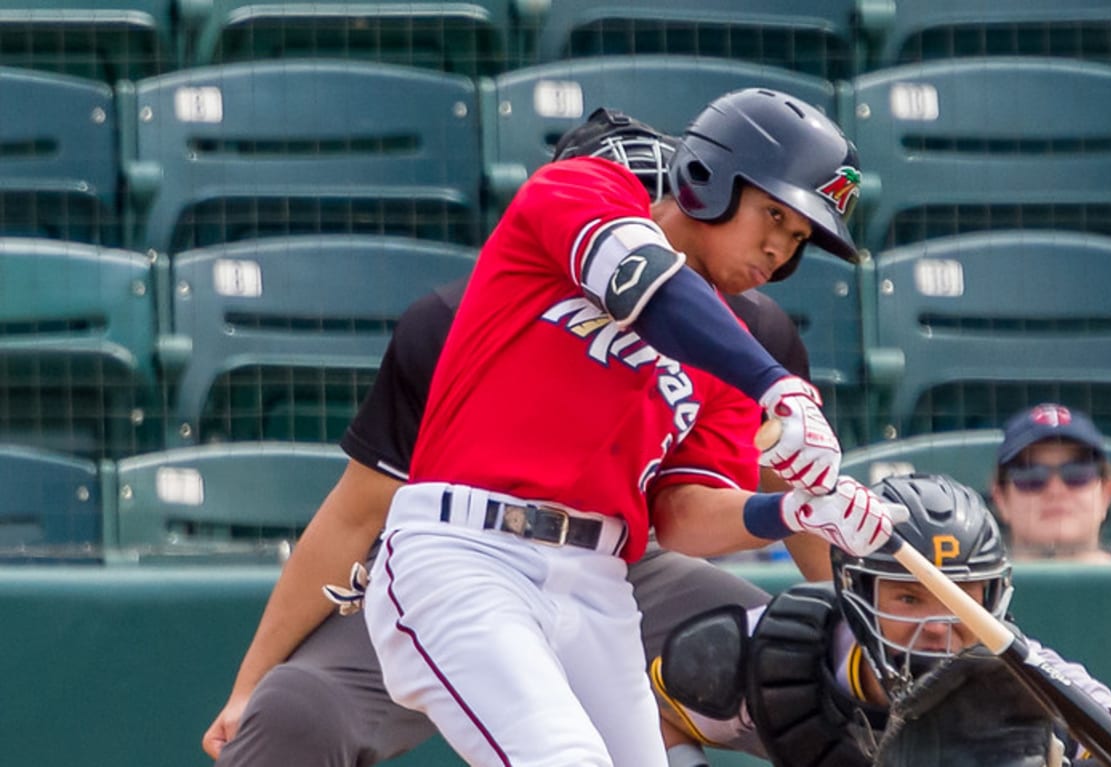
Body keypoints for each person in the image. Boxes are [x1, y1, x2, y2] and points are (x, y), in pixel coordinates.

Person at [203, 111, 832, 766]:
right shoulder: (469, 306)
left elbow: (705, 504)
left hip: (617, 565)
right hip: (471, 542)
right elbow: (357, 511)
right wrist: (250, 681)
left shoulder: (741, 331)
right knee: (318, 710)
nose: (645, 203)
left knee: (821, 671)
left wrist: (817, 540)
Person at [364, 88, 897, 767]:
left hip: (598, 581)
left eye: (796, 237)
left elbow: (681, 517)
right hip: (467, 550)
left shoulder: (728, 349)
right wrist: (778, 385)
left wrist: (791, 511)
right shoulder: (582, 189)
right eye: (774, 214)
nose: (777, 248)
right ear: (708, 178)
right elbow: (650, 285)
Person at [650, 472, 1111, 766]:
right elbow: (656, 711)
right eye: (909, 598)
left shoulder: (1034, 682)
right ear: (857, 592)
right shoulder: (778, 658)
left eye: (960, 600)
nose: (937, 624)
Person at [991, 403, 1111, 563]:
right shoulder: (969, 580)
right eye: (1032, 476)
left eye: (1077, 473)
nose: (1056, 490)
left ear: (1106, 495)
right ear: (1001, 500)